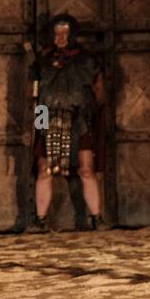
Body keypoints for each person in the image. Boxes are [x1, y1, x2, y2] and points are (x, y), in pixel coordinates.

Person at [30, 14, 106, 231]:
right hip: (48, 116)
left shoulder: (88, 61)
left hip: (79, 120)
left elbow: (99, 95)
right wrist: (41, 127)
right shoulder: (42, 62)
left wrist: (88, 112)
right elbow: (37, 98)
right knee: (44, 168)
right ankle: (40, 219)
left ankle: (96, 218)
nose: (61, 38)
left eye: (65, 33)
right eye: (57, 33)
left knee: (86, 168)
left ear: (72, 34)